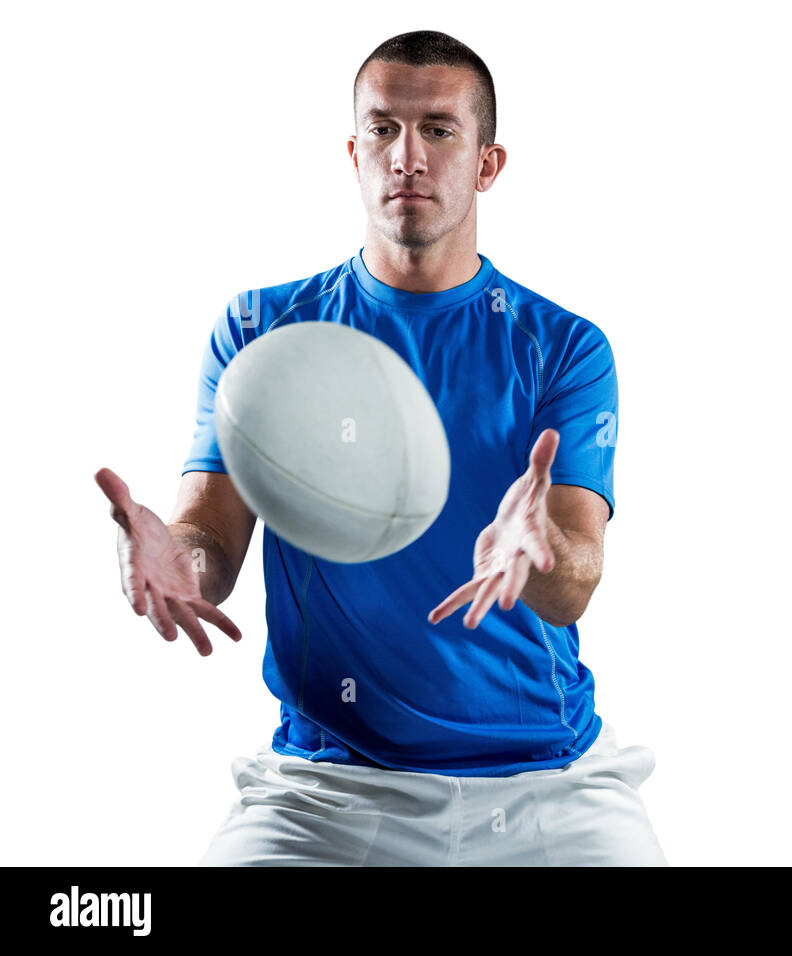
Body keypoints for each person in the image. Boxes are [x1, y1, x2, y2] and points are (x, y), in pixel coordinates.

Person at [94, 29, 667, 866]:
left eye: (439, 130)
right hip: (326, 787)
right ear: (353, 150)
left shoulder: (564, 347)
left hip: (545, 779)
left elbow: (577, 580)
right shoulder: (264, 336)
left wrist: (539, 552)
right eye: (383, 128)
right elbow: (208, 544)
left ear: (487, 163)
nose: (407, 156)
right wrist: (175, 556)